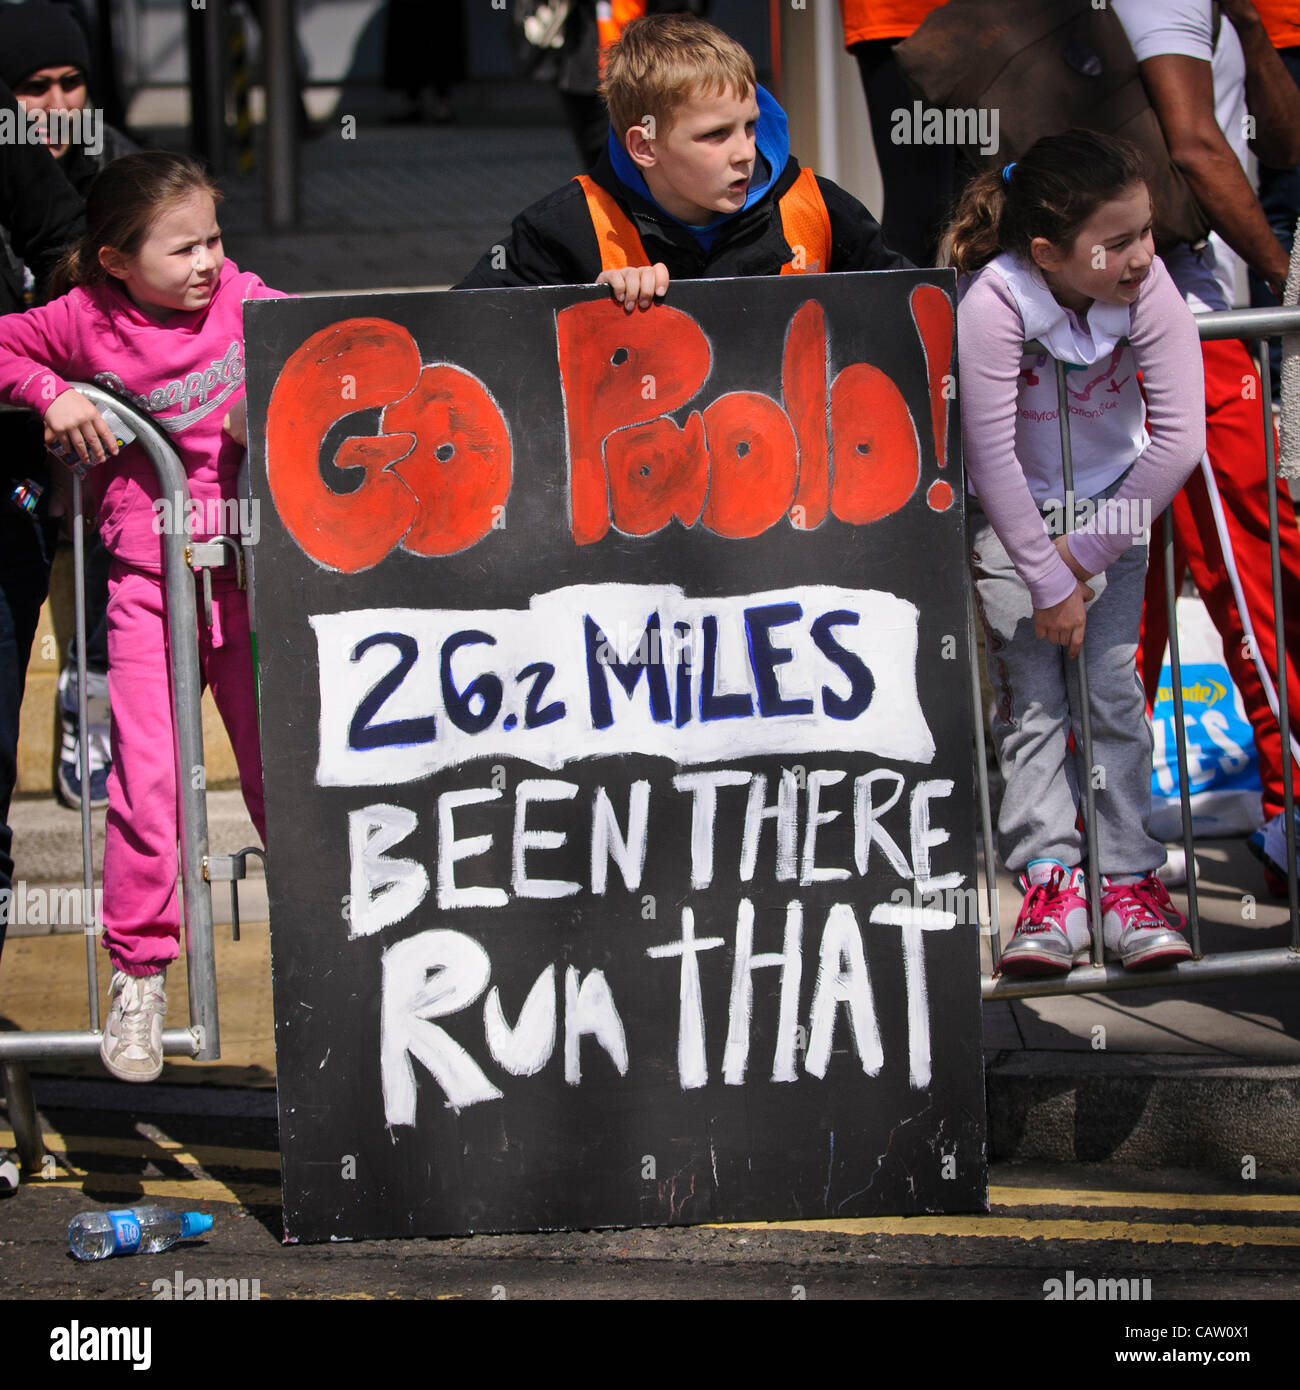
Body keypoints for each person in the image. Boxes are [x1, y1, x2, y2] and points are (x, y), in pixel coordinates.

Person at [0, 151, 284, 1081]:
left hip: (250, 576)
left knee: (283, 771)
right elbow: (7, 346)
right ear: (117, 260)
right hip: (146, 582)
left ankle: (332, 942)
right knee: (149, 786)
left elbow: (336, 356)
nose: (207, 262)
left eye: (213, 239)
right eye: (182, 248)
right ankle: (140, 974)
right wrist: (52, 392)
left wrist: (274, 403)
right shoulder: (83, 318)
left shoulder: (247, 300)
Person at [953, 130, 1205, 974]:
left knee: (1112, 695)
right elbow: (988, 457)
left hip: (1110, 514)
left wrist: (1085, 558)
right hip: (1014, 520)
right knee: (1031, 706)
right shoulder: (994, 300)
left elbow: (1177, 442)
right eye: (1120, 241)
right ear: (1047, 253)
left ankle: (1130, 880)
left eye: (1147, 231)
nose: (1144, 254)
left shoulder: (1149, 284)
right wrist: (1044, 571)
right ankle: (1050, 883)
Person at [1111, 0, 1300, 898]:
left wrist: (1256, 31)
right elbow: (1192, 143)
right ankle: (1102, 857)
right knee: (1155, 596)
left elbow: (1287, 144)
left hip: (1202, 315)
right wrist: (1289, 283)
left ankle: (1274, 818)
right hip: (1169, 325)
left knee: (1249, 573)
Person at [458, 12, 909, 292]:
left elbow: (914, 310)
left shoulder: (816, 210)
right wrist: (587, 310)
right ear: (644, 145)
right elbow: (457, 336)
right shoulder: (566, 229)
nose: (744, 152)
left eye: (750, 126)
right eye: (715, 135)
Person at [0, 0, 139, 812]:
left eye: (71, 84)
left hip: (90, 420)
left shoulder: (116, 168)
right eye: (32, 89)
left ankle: (93, 683)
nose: (56, 107)